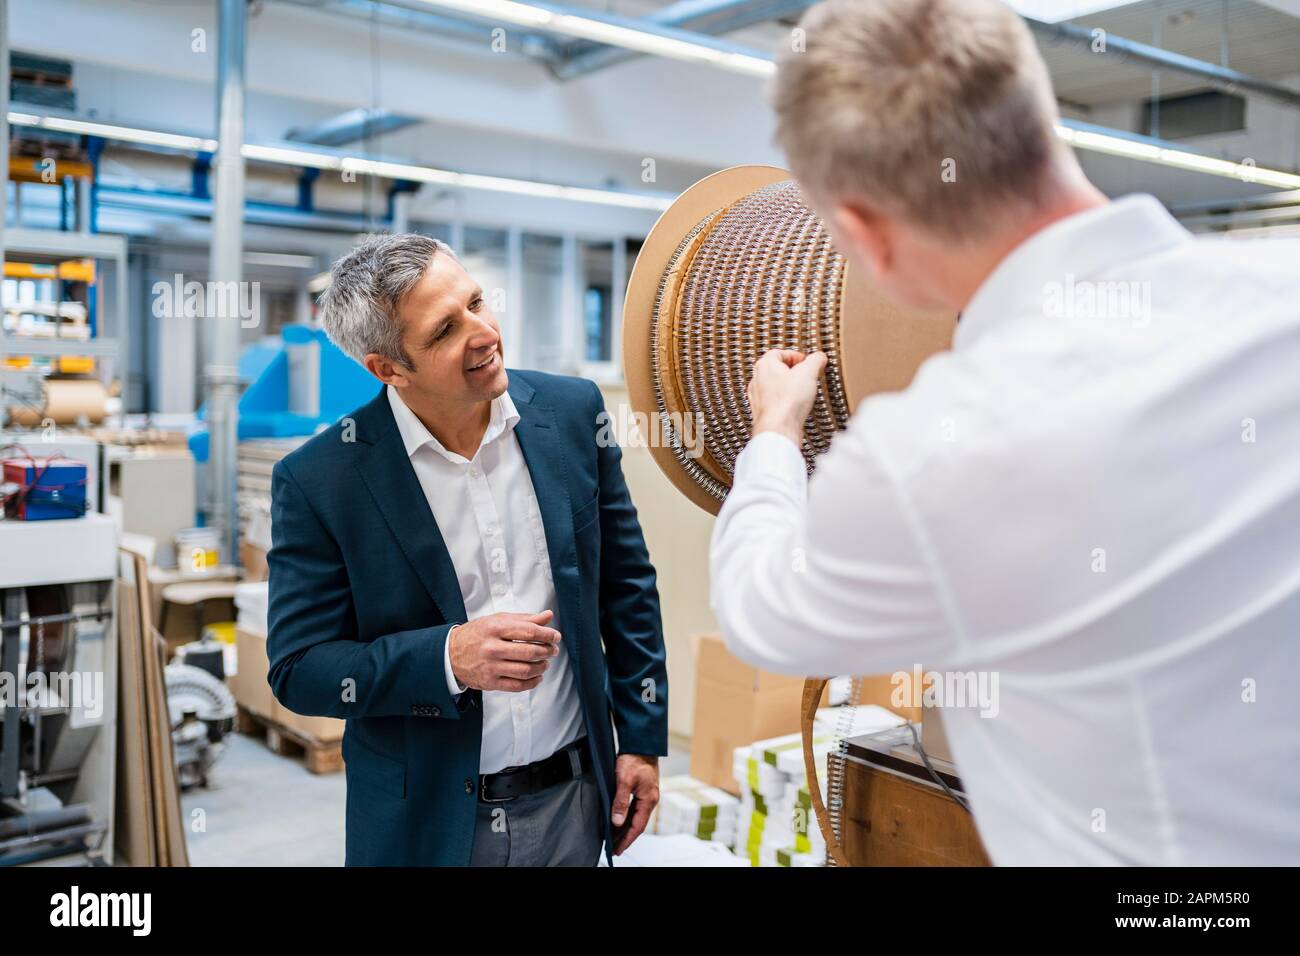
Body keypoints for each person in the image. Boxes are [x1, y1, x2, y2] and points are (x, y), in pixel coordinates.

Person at [711, 0, 1300, 865]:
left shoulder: (928, 459)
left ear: (867, 238)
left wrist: (772, 436)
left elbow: (762, 614)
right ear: (1041, 119)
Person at [268, 233, 666, 866]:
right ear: (388, 368)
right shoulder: (323, 480)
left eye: (478, 303)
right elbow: (301, 669)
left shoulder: (570, 413)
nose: (485, 333)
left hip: (575, 801)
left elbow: (627, 585)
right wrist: (448, 657)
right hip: (431, 824)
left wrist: (640, 741)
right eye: (445, 330)